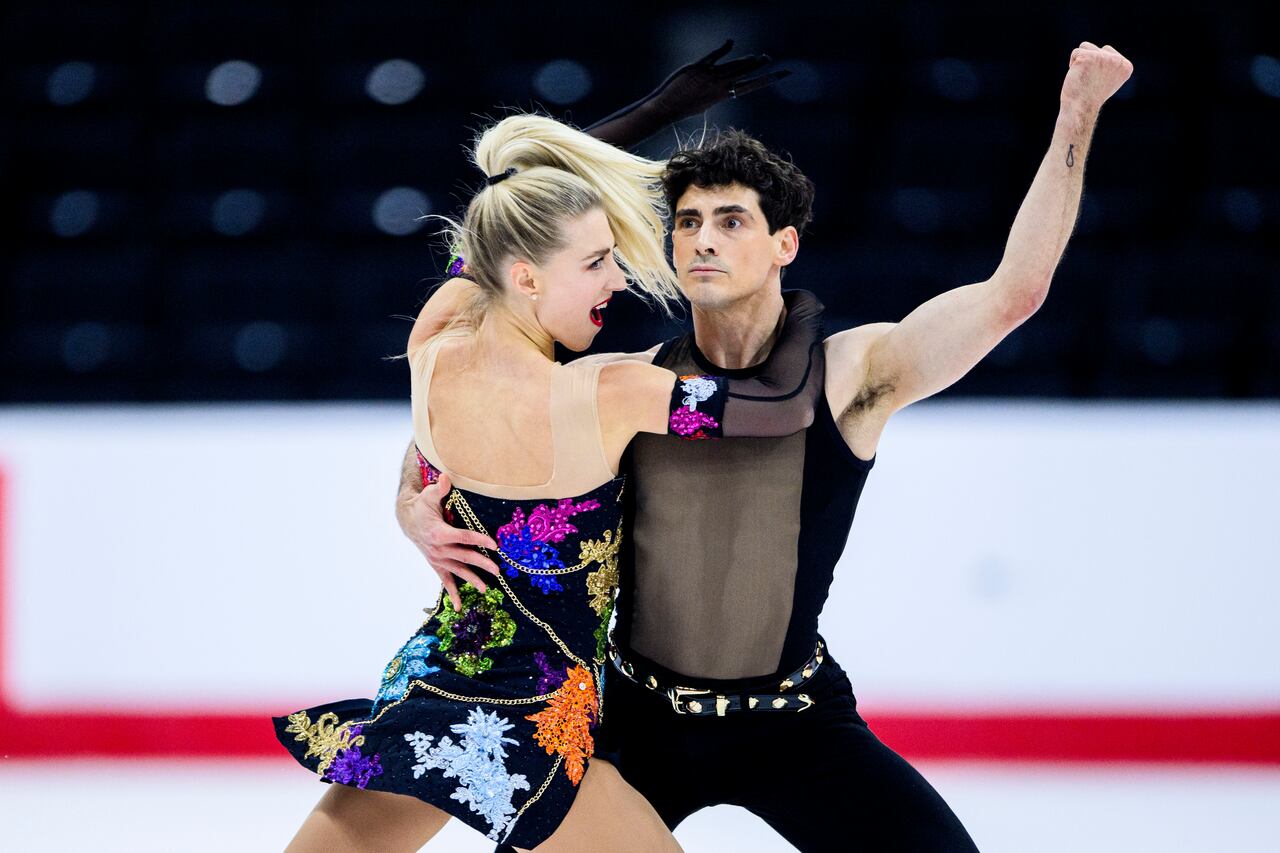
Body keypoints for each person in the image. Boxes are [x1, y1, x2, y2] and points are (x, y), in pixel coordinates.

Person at [398, 42, 1134, 852]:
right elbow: (463, 382)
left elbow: (1013, 294)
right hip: (637, 719)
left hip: (796, 721)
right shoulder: (623, 387)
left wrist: (1076, 117)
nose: (702, 240)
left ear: (785, 244)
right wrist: (411, 501)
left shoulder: (854, 374)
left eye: (731, 220)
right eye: (687, 222)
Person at [273, 112, 823, 852]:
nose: (618, 279)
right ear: (527, 277)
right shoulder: (608, 394)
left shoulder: (434, 341)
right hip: (535, 723)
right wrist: (798, 305)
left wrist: (408, 499)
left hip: (433, 685)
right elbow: (782, 407)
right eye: (596, 262)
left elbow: (507, 218)